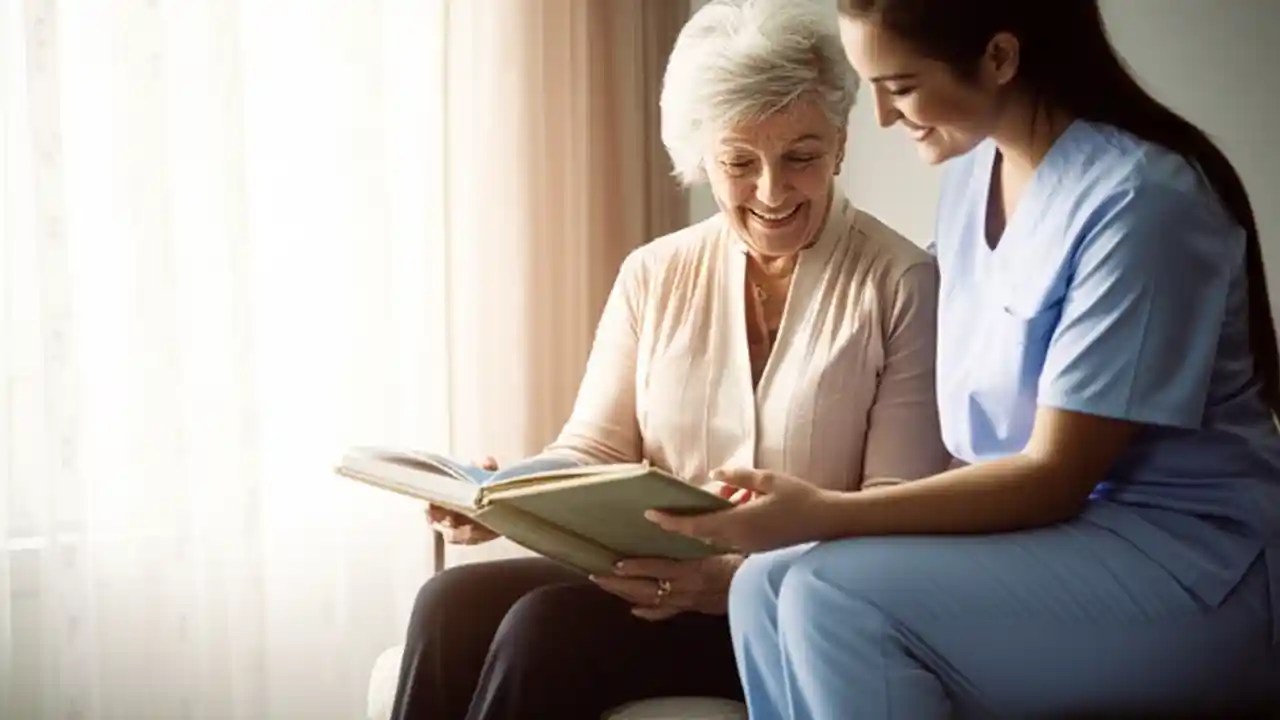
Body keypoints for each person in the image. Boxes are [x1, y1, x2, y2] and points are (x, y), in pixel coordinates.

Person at [650, 1, 1280, 717]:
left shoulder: (1139, 200)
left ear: (1001, 58)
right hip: (1055, 542)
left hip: (1190, 566)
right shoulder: (972, 178)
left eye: (902, 86)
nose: (883, 118)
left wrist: (824, 512)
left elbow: (1056, 476)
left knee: (833, 596)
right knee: (764, 584)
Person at [387, 2, 952, 719]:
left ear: (840, 143)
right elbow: (593, 448)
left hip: (793, 614)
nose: (773, 192)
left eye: (802, 157)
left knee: (543, 633)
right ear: (701, 160)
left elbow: (892, 515)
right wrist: (507, 500)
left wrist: (728, 581)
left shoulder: (900, 283)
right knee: (449, 603)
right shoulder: (653, 272)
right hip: (652, 584)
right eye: (740, 164)